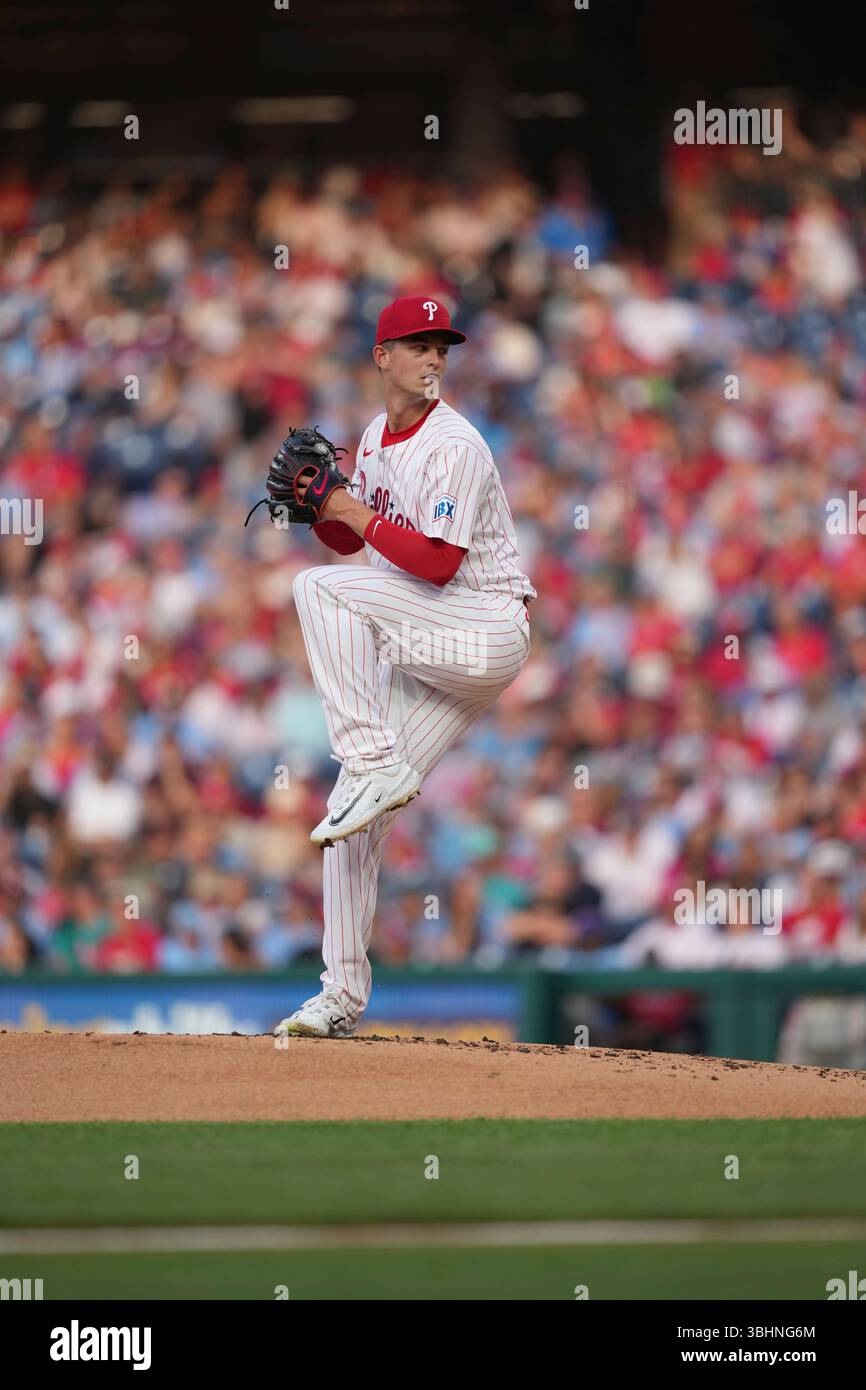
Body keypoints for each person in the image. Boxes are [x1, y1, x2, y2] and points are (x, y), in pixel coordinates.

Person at [276, 296, 536, 1038]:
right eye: (418, 345)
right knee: (353, 814)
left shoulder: (454, 443)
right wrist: (325, 506)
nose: (433, 359)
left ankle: (369, 758)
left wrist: (351, 512)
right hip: (429, 639)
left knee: (314, 591)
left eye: (442, 348)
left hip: (484, 630)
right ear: (381, 356)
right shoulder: (373, 435)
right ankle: (340, 997)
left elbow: (436, 558)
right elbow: (358, 550)